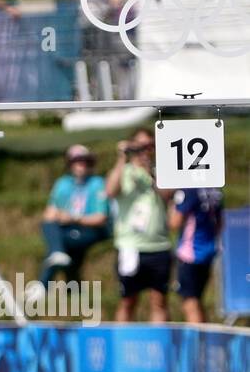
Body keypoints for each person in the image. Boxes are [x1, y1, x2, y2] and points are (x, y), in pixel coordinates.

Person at [106, 127, 173, 322]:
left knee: (159, 301)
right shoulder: (125, 171)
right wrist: (122, 158)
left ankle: (158, 340)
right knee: (127, 300)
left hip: (159, 246)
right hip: (130, 247)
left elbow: (168, 195)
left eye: (149, 146)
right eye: (140, 146)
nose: (145, 150)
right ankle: (123, 339)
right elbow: (110, 191)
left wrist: (150, 171)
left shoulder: (160, 172)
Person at [39, 145, 110, 285]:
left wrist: (73, 218)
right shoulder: (63, 183)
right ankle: (68, 282)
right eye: (77, 161)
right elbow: (49, 213)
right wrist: (57, 215)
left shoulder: (97, 183)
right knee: (49, 226)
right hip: (70, 228)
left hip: (91, 230)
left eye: (84, 161)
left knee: (61, 244)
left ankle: (43, 285)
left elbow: (101, 218)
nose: (81, 165)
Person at [169, 186, 224, 324]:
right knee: (197, 300)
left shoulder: (189, 191)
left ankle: (197, 337)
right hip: (208, 251)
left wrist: (172, 203)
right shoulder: (215, 190)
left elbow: (174, 223)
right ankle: (203, 335)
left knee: (190, 303)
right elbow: (220, 224)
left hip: (190, 254)